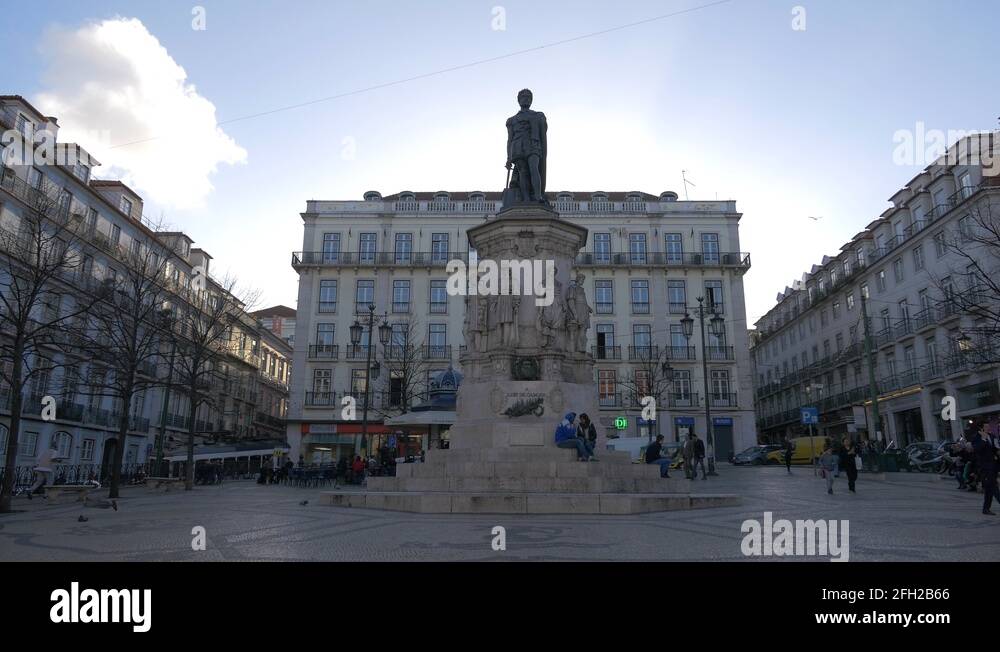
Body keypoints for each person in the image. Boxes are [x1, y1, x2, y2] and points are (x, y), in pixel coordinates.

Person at [971, 422, 999, 515]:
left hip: (993, 465)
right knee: (993, 486)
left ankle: (986, 508)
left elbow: (995, 448)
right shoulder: (977, 437)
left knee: (989, 488)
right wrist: (983, 439)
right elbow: (976, 449)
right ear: (981, 428)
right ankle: (986, 508)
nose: (988, 428)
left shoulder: (992, 436)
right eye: (986, 426)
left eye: (988, 426)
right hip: (984, 467)